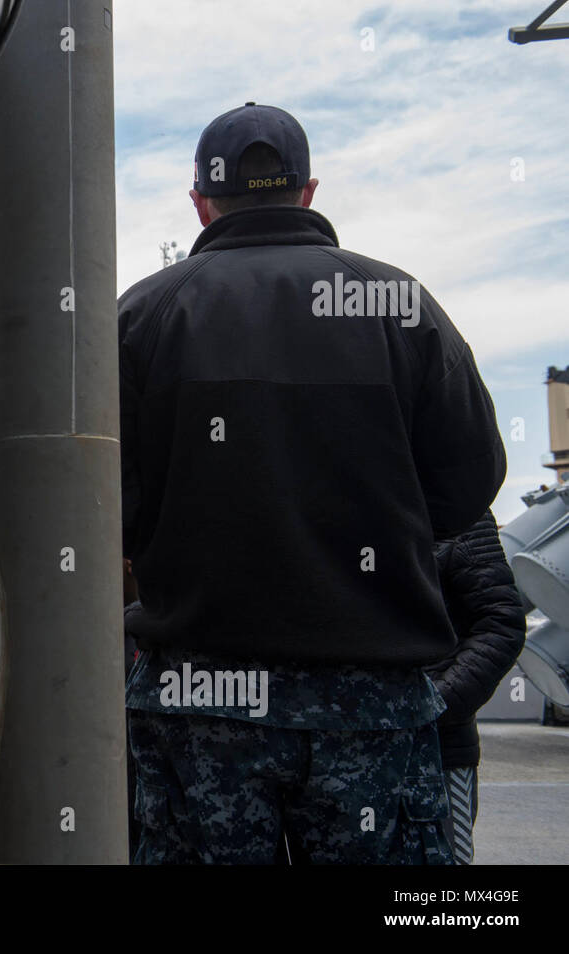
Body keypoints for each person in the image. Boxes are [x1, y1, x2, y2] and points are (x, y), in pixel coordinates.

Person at [118, 103, 506, 864]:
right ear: (308, 190)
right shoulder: (399, 305)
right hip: (371, 700)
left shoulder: (142, 315)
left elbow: (97, 502)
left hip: (201, 700)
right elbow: (467, 487)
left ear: (199, 199)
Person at [428, 510, 526, 864]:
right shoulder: (338, 492)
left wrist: (433, 706)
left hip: (439, 750)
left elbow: (501, 623)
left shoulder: (458, 504)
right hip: (336, 746)